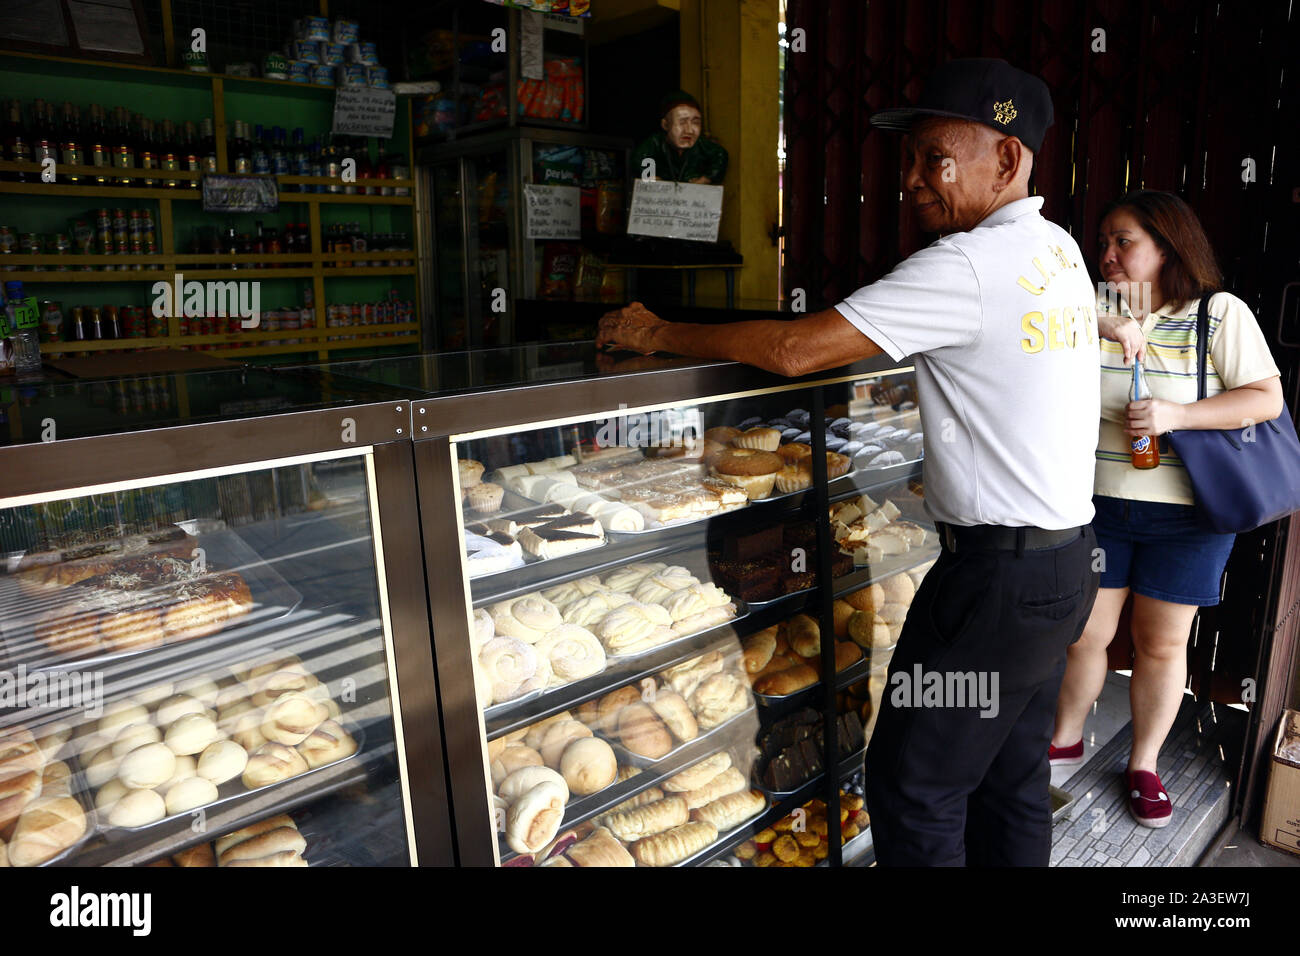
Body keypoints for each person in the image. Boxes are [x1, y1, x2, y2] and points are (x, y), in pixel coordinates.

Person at [600, 58, 1117, 865]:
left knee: (916, 786)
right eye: (906, 158)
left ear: (1007, 159)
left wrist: (653, 333)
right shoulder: (1056, 250)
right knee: (1009, 781)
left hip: (992, 586)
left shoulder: (969, 264)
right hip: (1061, 568)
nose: (910, 179)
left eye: (932, 157)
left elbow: (795, 348)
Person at [1049, 190, 1284, 827]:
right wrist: (1101, 320)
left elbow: (1263, 398)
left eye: (1123, 241)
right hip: (1094, 506)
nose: (1107, 255)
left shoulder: (1217, 313)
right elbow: (1032, 331)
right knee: (1084, 636)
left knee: (1160, 645)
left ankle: (1144, 764)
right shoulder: (1084, 306)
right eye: (1103, 242)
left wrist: (1178, 415)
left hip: (1188, 516)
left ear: (1167, 245)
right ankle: (1064, 742)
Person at [629, 90, 728, 185]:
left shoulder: (700, 144)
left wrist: (705, 179)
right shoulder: (656, 143)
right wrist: (651, 177)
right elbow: (641, 158)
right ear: (665, 125)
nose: (689, 130)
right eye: (682, 122)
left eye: (695, 123)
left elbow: (720, 155)